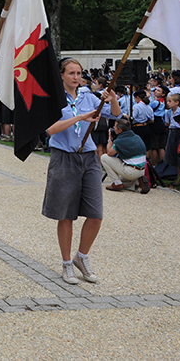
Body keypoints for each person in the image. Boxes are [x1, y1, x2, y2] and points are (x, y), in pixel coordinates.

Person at [43, 58, 120, 285]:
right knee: (66, 214)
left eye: (78, 73)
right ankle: (67, 262)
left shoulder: (88, 96)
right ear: (61, 75)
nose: (76, 77)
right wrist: (80, 117)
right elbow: (49, 129)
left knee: (96, 213)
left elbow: (115, 114)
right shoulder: (53, 98)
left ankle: (82, 256)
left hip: (88, 157)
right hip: (64, 157)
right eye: (71, 73)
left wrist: (113, 99)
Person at [102, 118, 150, 193]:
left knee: (104, 157)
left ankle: (117, 184)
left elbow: (109, 153)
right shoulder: (136, 137)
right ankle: (138, 183)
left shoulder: (120, 141)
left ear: (120, 130)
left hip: (131, 171)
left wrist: (110, 139)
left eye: (115, 126)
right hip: (141, 171)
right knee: (121, 179)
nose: (113, 128)